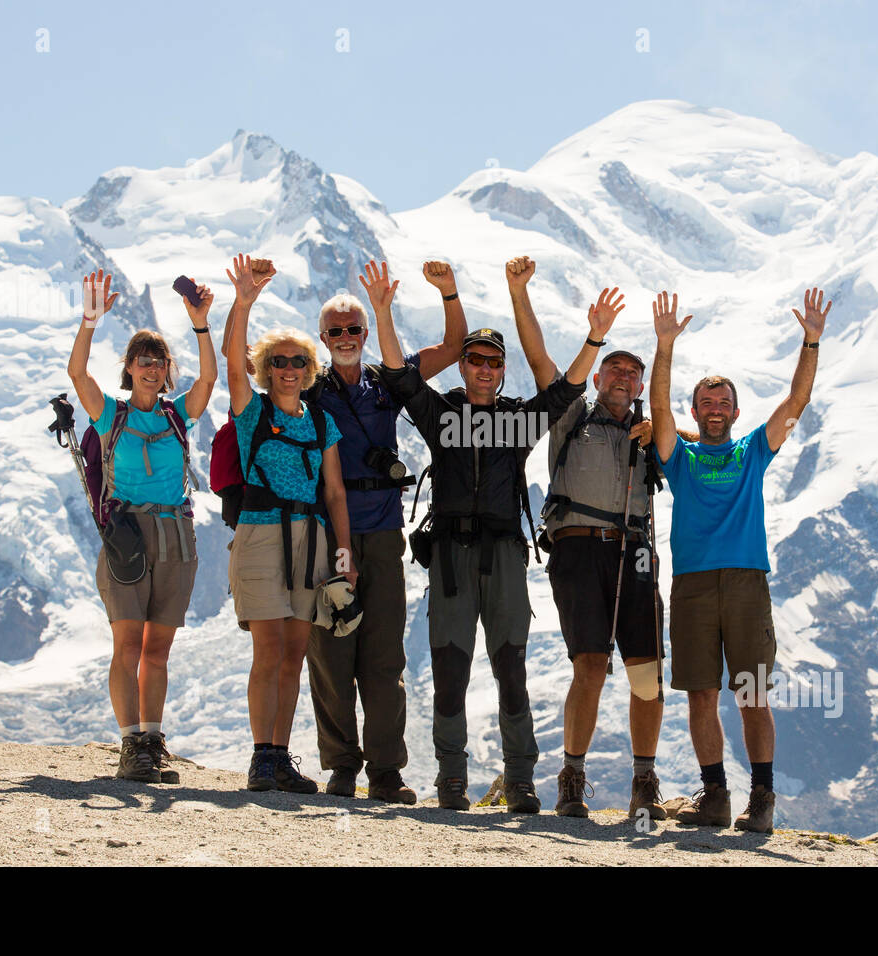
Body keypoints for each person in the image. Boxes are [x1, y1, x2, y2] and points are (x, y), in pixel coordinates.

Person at [371, 257, 622, 813]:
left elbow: (565, 392)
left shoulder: (517, 419)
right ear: (462, 368)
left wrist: (594, 339)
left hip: (506, 553)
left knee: (512, 666)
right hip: (452, 558)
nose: (484, 369)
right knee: (451, 668)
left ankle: (520, 779)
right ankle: (452, 779)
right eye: (475, 360)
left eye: (493, 362)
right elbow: (399, 375)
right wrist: (382, 313)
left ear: (503, 370)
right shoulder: (441, 414)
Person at [650, 287, 832, 832]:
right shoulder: (677, 457)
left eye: (723, 401)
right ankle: (715, 797)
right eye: (706, 402)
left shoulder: (753, 451)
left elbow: (796, 403)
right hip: (693, 586)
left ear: (734, 411)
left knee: (752, 694)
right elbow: (657, 407)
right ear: (694, 410)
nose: (715, 408)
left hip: (748, 584)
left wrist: (811, 342)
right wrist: (665, 347)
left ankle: (762, 800)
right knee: (701, 693)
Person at [301, 261, 467, 804]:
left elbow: (456, 344)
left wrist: (447, 292)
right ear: (322, 338)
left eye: (355, 329)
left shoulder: (387, 381)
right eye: (336, 331)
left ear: (366, 333)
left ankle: (386, 774)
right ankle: (343, 768)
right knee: (329, 655)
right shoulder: (306, 386)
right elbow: (243, 377)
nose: (346, 338)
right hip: (328, 534)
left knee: (383, 655)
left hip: (384, 530)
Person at [506, 256, 666, 820]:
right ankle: (571, 777)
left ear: (641, 383)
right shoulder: (572, 412)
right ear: (598, 377)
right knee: (591, 665)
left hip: (635, 550)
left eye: (632, 373)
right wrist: (519, 292)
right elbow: (539, 360)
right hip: (576, 546)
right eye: (613, 370)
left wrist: (665, 432)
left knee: (647, 672)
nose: (622, 378)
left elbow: (700, 438)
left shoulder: (653, 432)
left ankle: (643, 784)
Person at [66, 268, 216, 783]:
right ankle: (131, 744)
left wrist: (200, 325)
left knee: (158, 648)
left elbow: (211, 380)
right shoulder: (112, 415)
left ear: (166, 371)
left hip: (176, 533)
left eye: (159, 363)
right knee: (127, 644)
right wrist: (90, 321)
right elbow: (78, 375)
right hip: (128, 534)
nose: (151, 370)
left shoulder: (178, 416)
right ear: (129, 368)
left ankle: (151, 738)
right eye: (142, 362)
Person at [224, 254, 358, 793]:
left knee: (296, 652)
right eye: (279, 361)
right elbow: (231, 368)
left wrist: (344, 558)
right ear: (267, 368)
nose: (288, 369)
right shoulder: (252, 412)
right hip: (260, 532)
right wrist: (243, 301)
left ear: (309, 369)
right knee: (269, 648)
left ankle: (278, 755)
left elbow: (335, 492)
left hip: (312, 539)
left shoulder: (320, 420)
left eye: (298, 361)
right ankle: (262, 757)